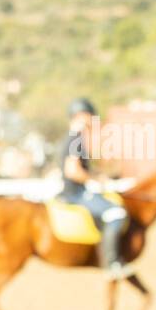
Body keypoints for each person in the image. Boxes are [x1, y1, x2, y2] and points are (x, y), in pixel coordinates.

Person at [56, 97, 132, 279]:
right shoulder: (76, 139)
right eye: (91, 116)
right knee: (116, 213)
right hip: (76, 193)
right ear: (82, 115)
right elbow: (73, 171)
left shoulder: (71, 138)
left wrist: (98, 174)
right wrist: (94, 180)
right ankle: (112, 262)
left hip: (75, 191)